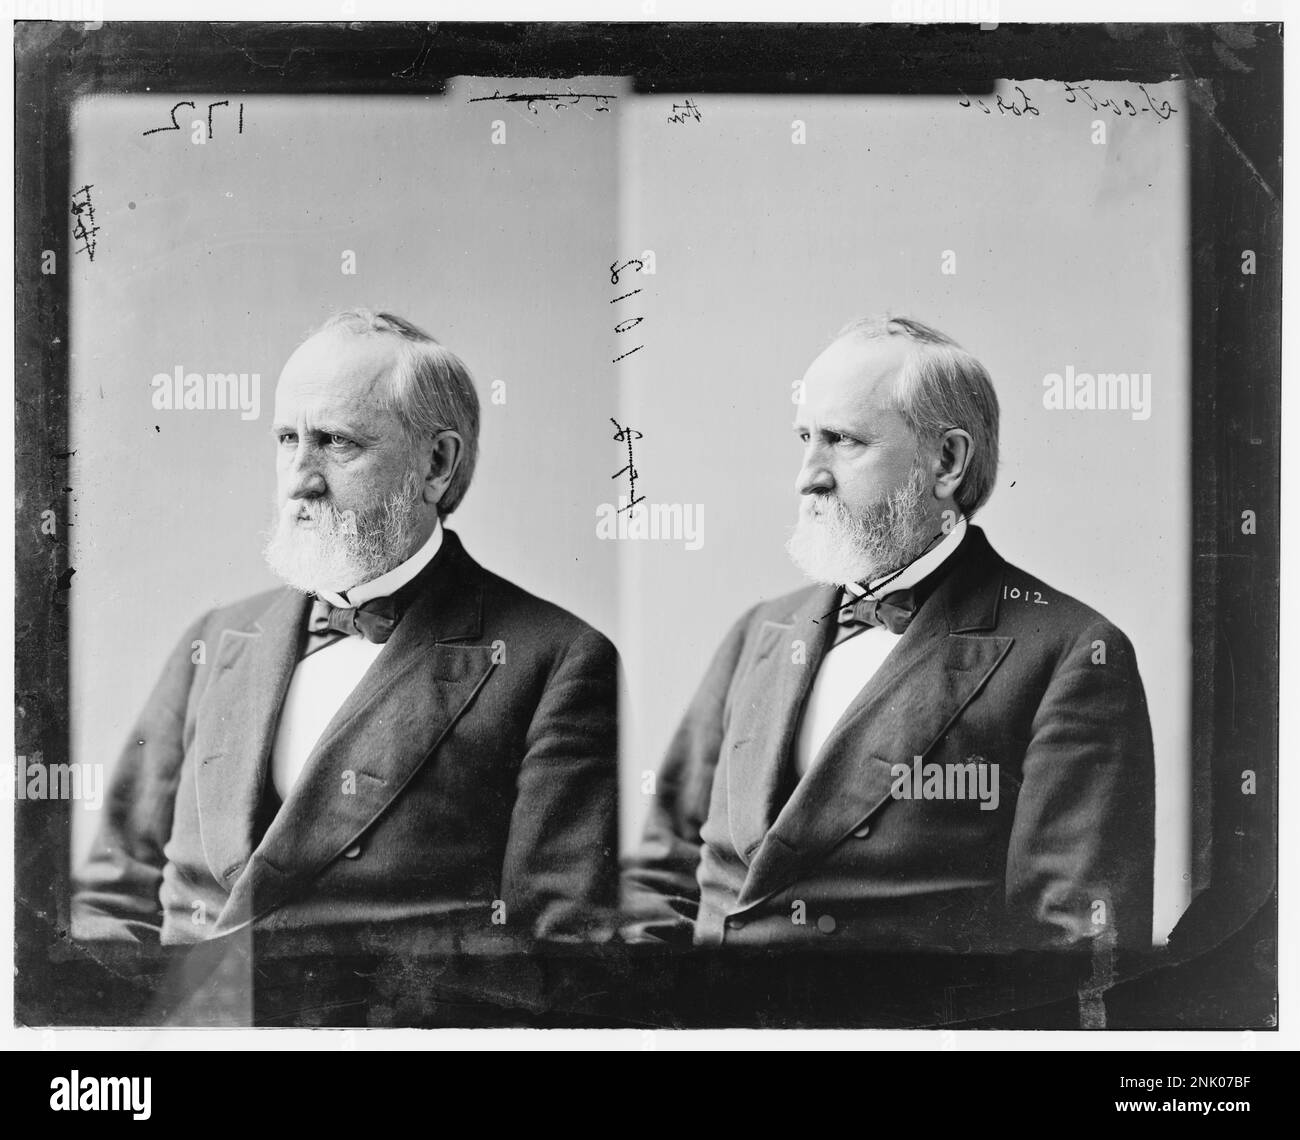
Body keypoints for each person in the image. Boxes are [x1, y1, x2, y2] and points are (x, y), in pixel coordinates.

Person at [74, 309, 619, 951]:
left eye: (338, 442)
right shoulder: (216, 640)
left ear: (436, 465)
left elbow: (560, 950)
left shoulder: (556, 662)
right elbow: (113, 894)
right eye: (286, 440)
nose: (300, 479)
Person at [623, 316, 1155, 953]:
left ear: (947, 461)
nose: (807, 475)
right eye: (804, 437)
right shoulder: (762, 631)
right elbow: (662, 875)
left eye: (843, 441)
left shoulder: (1069, 654)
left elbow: (1072, 950)